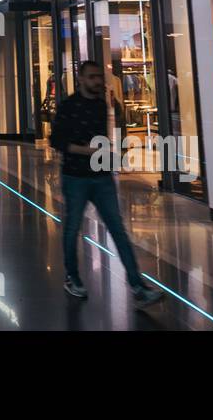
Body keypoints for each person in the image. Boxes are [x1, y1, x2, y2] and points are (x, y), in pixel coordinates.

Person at [51, 59, 163, 306]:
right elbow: (56, 141)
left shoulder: (102, 106)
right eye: (92, 77)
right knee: (72, 228)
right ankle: (72, 277)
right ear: (80, 79)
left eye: (99, 77)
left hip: (101, 176)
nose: (97, 81)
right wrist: (85, 151)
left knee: (118, 230)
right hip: (75, 177)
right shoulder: (68, 106)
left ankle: (137, 285)